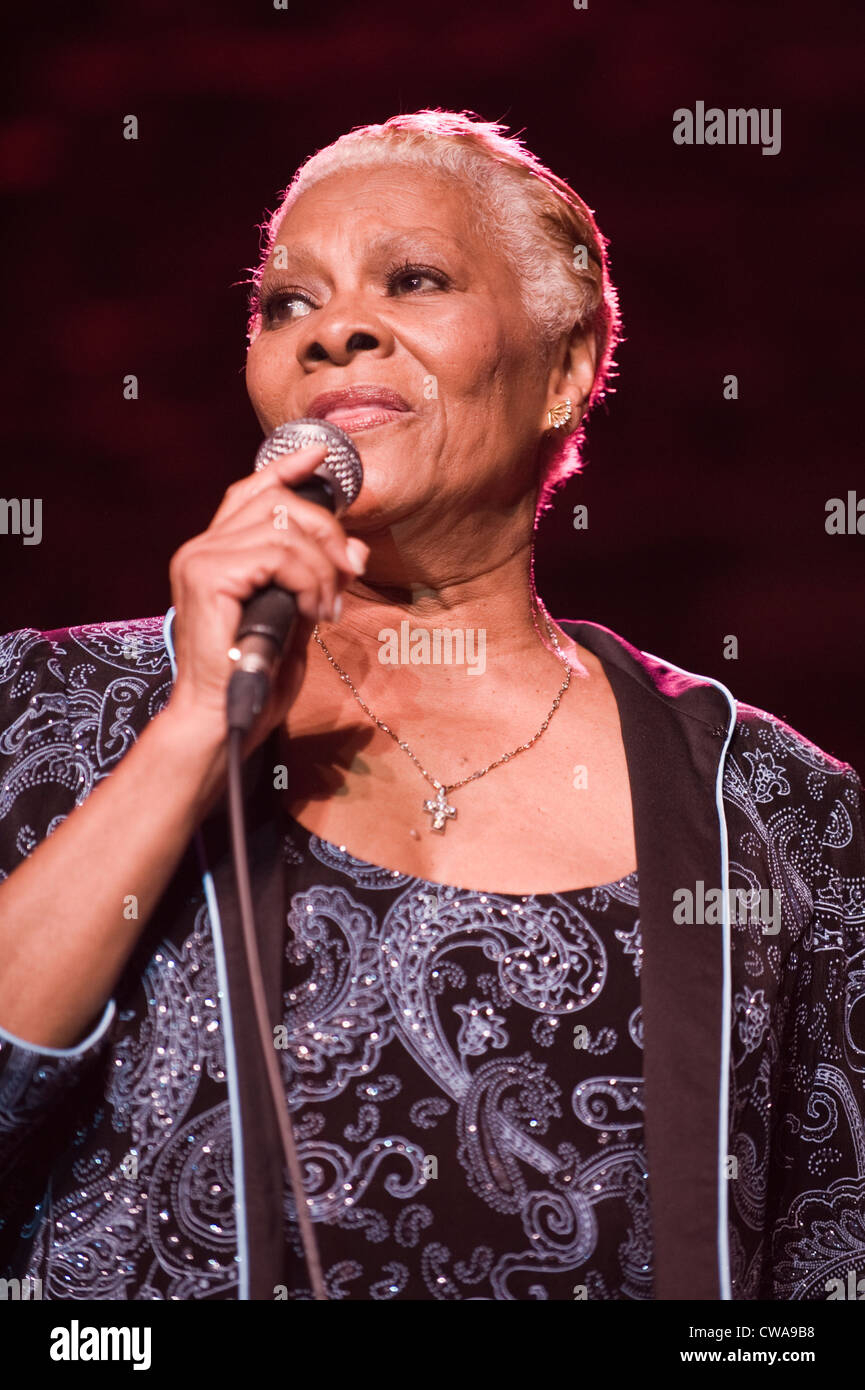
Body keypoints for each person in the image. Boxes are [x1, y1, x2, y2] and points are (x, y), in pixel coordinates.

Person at [0, 110, 862, 1302]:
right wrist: (196, 723)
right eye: (283, 304)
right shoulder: (49, 715)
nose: (331, 329)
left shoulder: (771, 808)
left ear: (567, 366)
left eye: (412, 279)